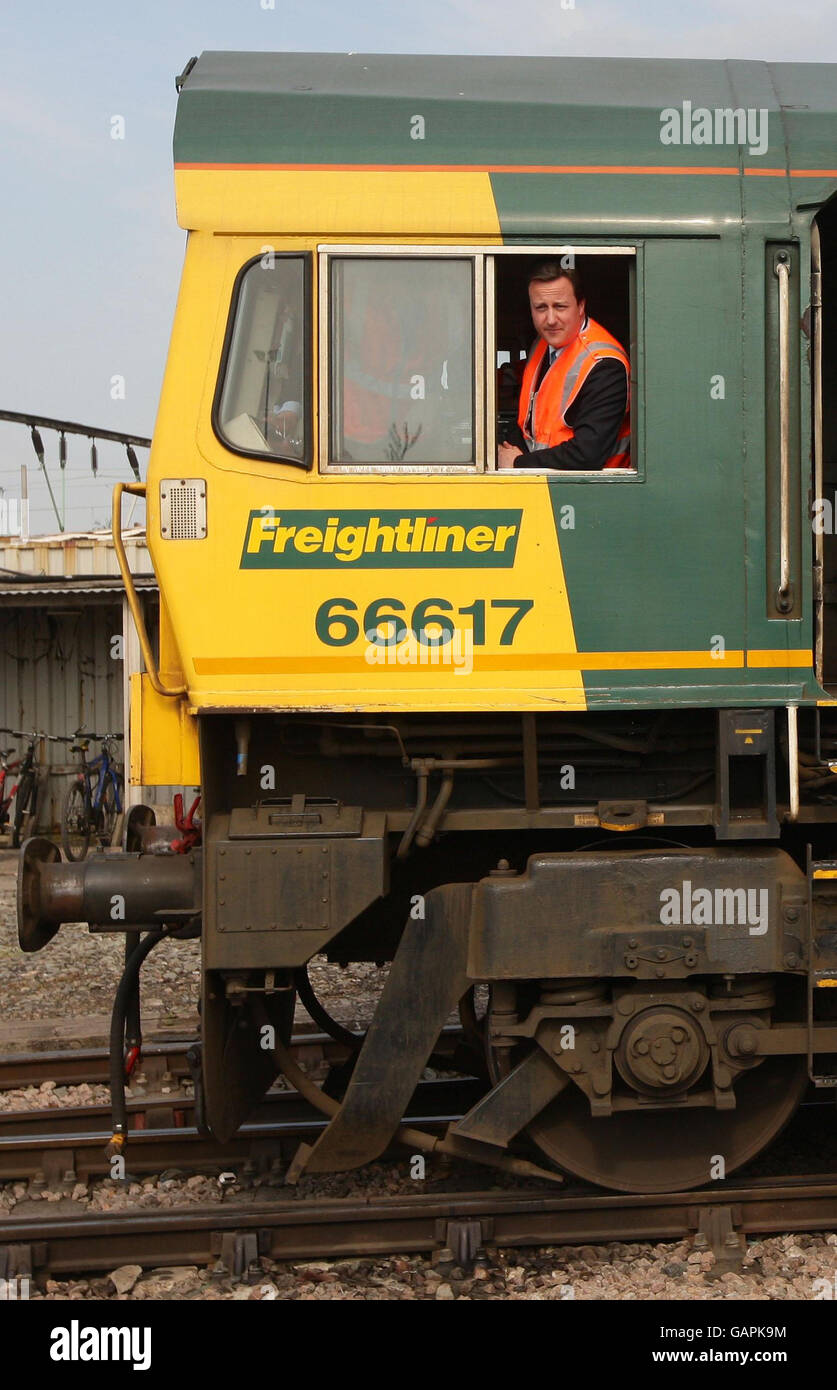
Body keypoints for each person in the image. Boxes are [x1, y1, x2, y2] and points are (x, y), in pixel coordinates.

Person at [497, 263, 631, 471]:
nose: (550, 320)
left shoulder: (604, 364)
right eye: (541, 307)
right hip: (542, 482)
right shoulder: (541, 345)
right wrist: (504, 451)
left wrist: (518, 463)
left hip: (596, 492)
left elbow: (588, 454)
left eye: (560, 307)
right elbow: (526, 423)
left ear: (580, 306)